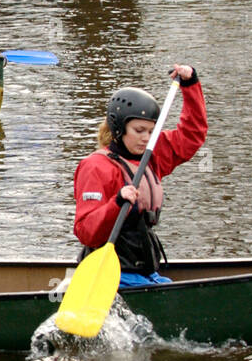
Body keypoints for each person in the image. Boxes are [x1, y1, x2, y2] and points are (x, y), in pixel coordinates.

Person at [73, 65, 207, 287]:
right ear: (118, 128)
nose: (146, 138)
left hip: (144, 269)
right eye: (139, 130)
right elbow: (87, 233)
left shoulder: (152, 155)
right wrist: (116, 203)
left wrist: (191, 84)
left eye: (151, 131)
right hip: (111, 273)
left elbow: (192, 135)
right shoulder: (96, 166)